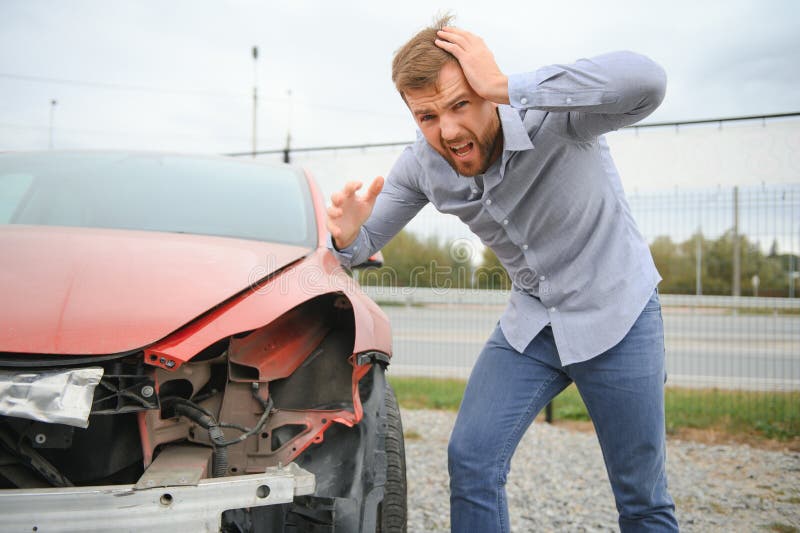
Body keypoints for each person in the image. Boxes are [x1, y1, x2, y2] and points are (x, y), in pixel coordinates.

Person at [326, 15, 679, 533]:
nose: (446, 131)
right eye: (426, 116)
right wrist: (345, 237)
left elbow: (648, 82)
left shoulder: (554, 116)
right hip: (534, 324)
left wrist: (508, 85)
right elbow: (358, 247)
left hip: (618, 314)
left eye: (460, 104)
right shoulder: (424, 165)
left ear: (486, 90)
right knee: (471, 461)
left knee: (641, 497)